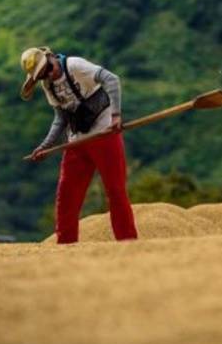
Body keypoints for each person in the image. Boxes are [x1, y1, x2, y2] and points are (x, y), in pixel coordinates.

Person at [20, 46, 138, 243]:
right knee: (66, 197)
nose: (49, 74)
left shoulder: (74, 65)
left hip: (104, 132)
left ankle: (127, 241)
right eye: (42, 75)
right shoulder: (48, 85)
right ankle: (65, 246)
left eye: (48, 68)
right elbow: (60, 118)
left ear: (51, 57)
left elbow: (111, 79)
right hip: (77, 140)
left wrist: (116, 115)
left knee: (115, 190)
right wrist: (45, 146)